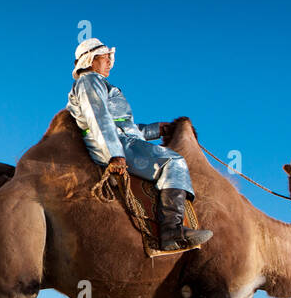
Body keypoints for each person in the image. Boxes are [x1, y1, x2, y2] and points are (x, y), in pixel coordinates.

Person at [67, 38, 212, 251]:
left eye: (109, 57)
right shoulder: (89, 81)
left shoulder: (98, 83)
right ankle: (172, 231)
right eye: (105, 57)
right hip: (112, 144)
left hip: (121, 140)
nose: (109, 61)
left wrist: (157, 129)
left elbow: (127, 127)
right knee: (174, 162)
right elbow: (99, 119)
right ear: (90, 60)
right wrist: (114, 155)